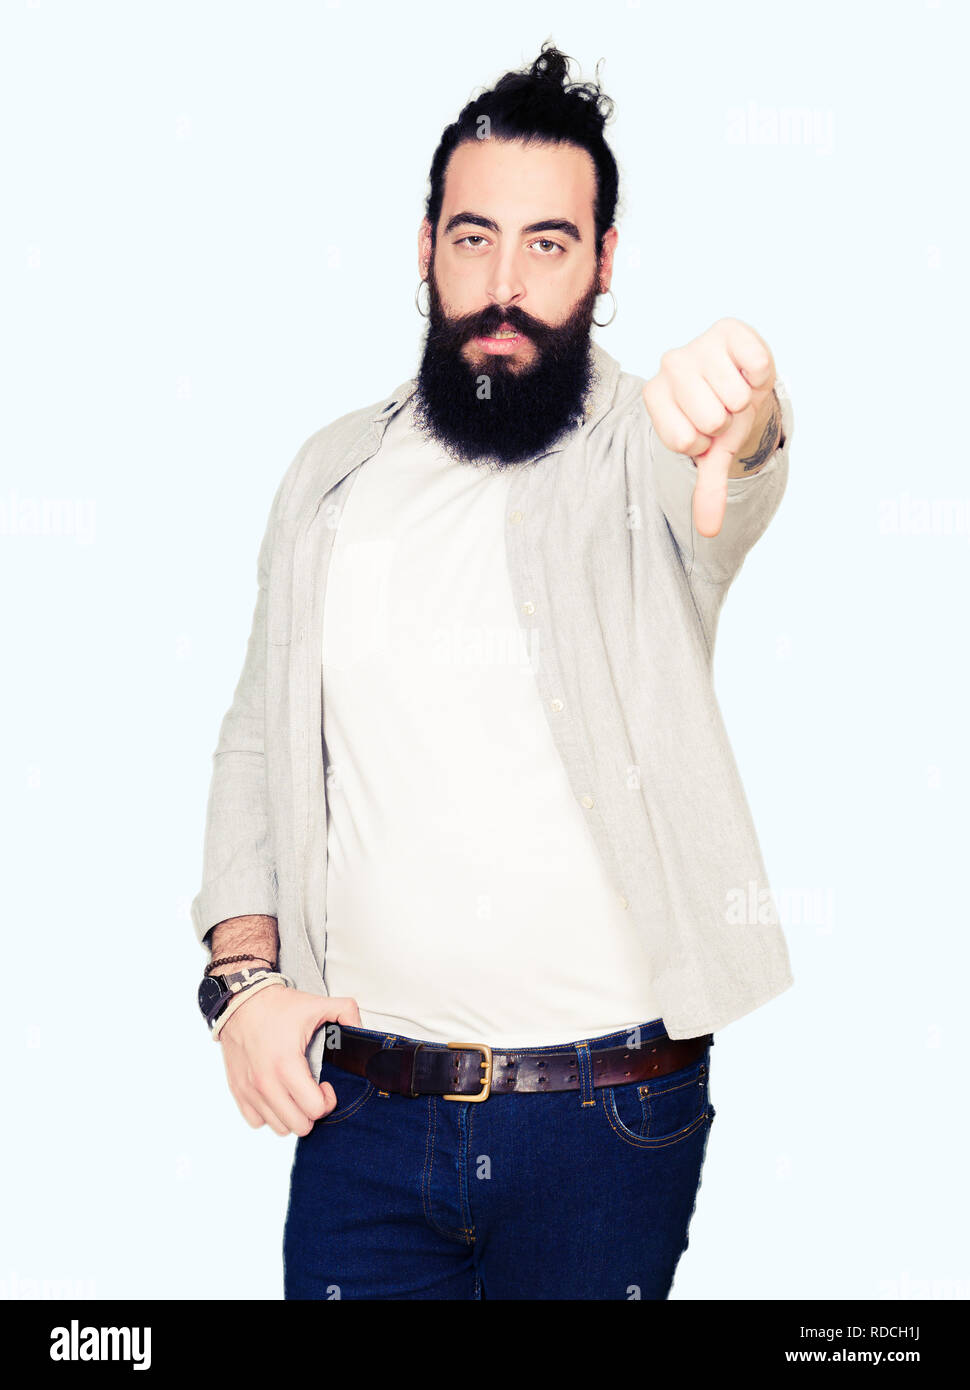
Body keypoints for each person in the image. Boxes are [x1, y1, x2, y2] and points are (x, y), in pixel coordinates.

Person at [191, 41, 794, 1301]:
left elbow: (732, 473)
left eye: (549, 244)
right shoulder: (328, 477)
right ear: (424, 248)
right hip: (362, 1115)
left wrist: (747, 409)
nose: (505, 286)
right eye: (474, 240)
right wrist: (241, 984)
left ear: (605, 262)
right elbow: (257, 740)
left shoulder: (645, 451)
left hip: (605, 1126)